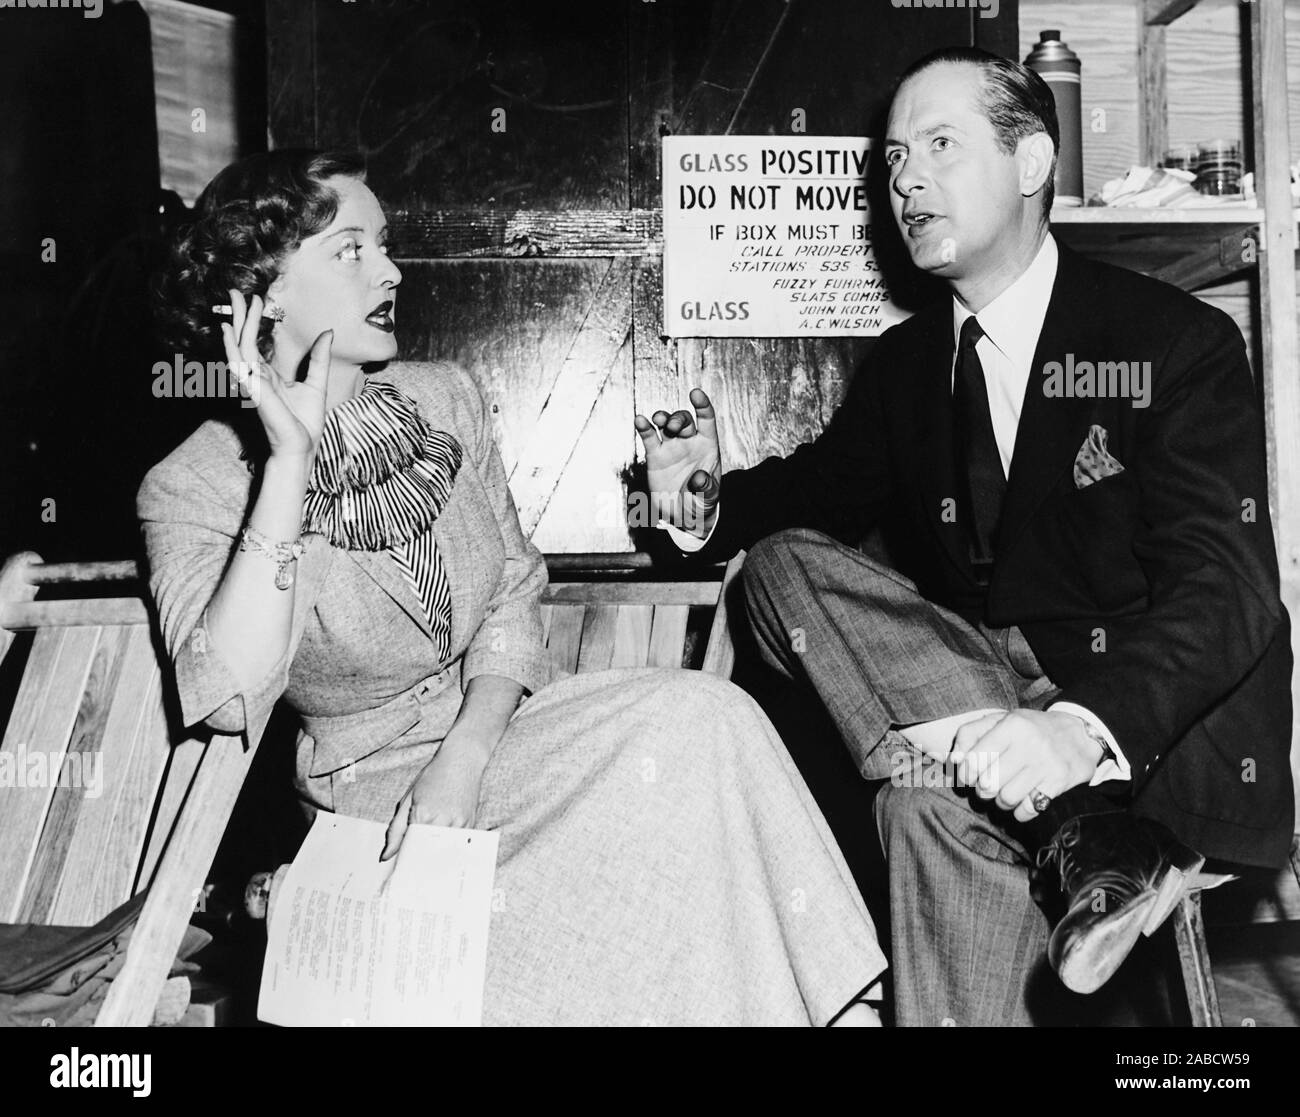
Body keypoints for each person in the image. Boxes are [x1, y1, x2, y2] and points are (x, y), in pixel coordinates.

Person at [137, 149, 886, 1027]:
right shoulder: (192, 485)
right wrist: (290, 465)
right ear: (259, 293)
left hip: (508, 741)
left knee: (703, 717)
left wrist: (467, 751)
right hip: (375, 803)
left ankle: (848, 1015)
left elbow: (512, 590)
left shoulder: (444, 397)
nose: (391, 269)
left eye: (385, 244)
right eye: (351, 250)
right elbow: (226, 696)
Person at [639, 47, 1293, 1027]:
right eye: (894, 157)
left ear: (1031, 164)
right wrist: (695, 503)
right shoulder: (909, 366)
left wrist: (1076, 732)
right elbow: (812, 493)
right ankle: (1084, 839)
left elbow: (1227, 589)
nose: (904, 179)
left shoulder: (1167, 342)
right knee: (774, 573)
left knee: (920, 802)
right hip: (985, 720)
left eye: (940, 145)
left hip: (1143, 735)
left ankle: (1089, 816)